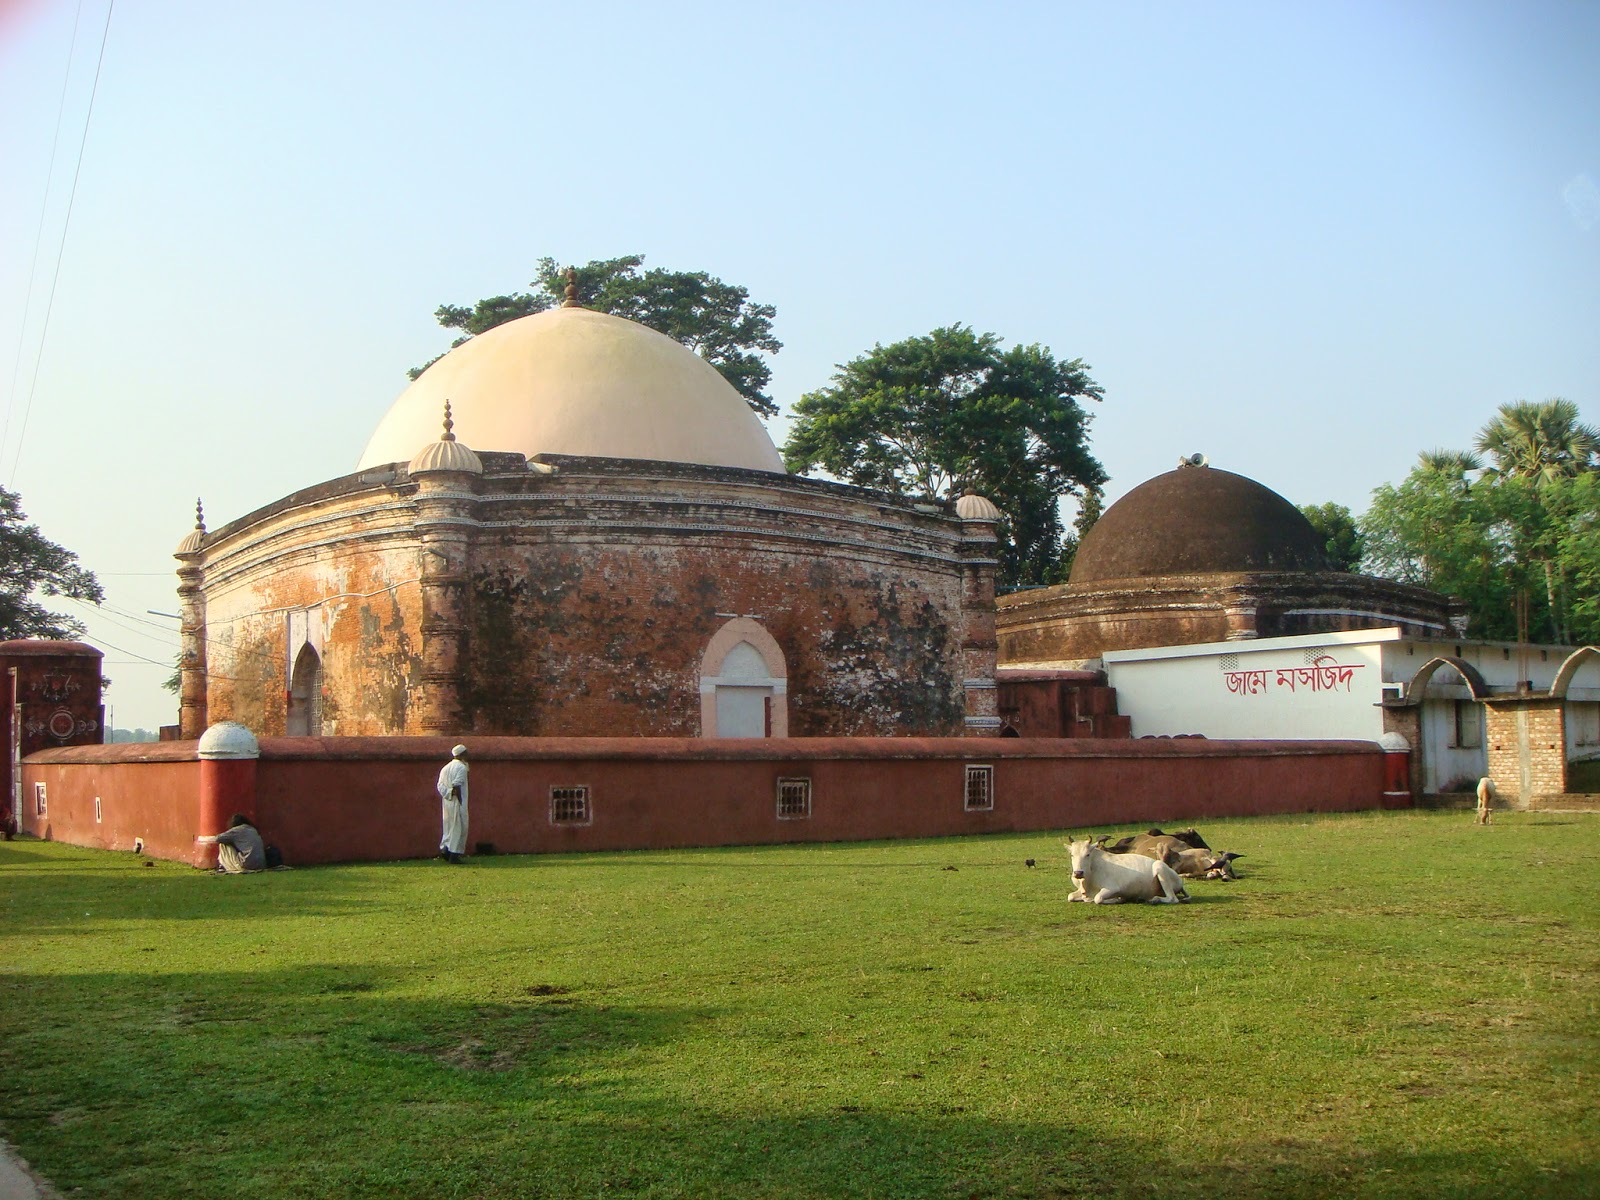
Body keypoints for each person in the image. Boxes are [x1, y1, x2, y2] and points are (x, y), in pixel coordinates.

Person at [198, 813, 267, 873]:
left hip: (247, 865)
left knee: (223, 844)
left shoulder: (236, 830)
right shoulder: (253, 829)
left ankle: (223, 866)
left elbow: (218, 839)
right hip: (261, 865)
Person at [437, 744, 470, 863]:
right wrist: (458, 799)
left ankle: (445, 850)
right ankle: (454, 855)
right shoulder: (461, 768)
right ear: (461, 754)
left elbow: (440, 786)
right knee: (459, 827)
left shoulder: (445, 768)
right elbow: (457, 785)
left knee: (449, 826)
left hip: (447, 802)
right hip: (457, 801)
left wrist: (448, 794)